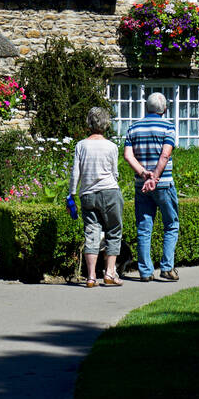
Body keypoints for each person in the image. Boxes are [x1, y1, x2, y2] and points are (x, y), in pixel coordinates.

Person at [124, 92, 179, 282]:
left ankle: (146, 271)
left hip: (142, 185)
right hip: (163, 184)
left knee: (144, 227)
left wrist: (143, 174)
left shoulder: (133, 128)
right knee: (171, 224)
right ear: (164, 109)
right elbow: (165, 155)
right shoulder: (169, 127)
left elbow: (128, 156)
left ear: (147, 108)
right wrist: (154, 177)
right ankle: (167, 267)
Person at [69, 107, 123, 288]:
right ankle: (109, 273)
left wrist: (72, 193)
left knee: (91, 233)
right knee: (114, 231)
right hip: (109, 192)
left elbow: (75, 172)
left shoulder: (81, 145)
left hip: (88, 194)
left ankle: (91, 277)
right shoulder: (112, 146)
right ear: (106, 124)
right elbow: (115, 173)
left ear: (89, 123)